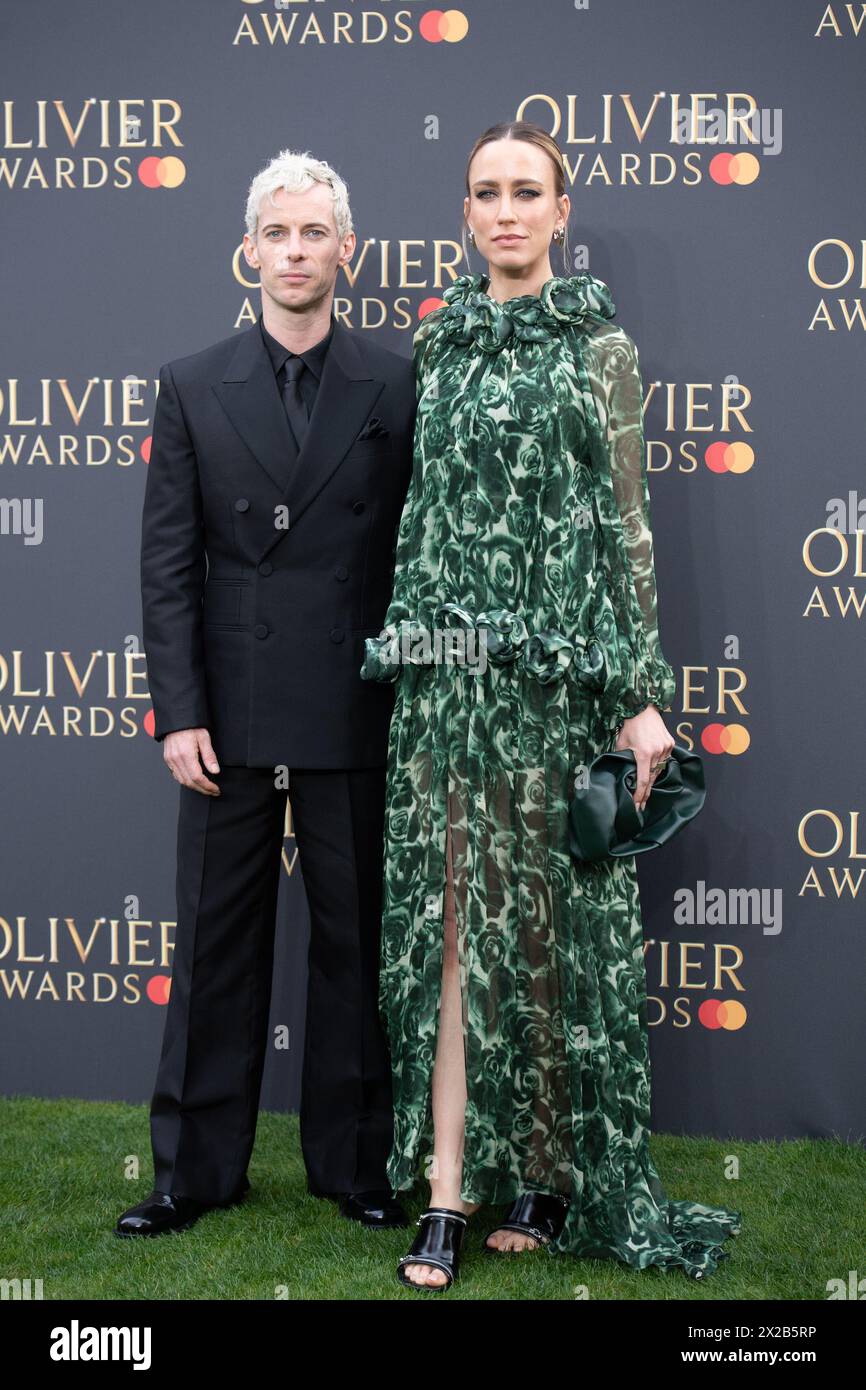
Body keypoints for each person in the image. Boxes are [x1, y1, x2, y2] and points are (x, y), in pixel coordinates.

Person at [361, 120, 742, 1289]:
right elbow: (418, 517)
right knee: (445, 935)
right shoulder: (438, 349)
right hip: (443, 682)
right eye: (487, 192)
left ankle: (535, 1170)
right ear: (465, 214)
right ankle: (441, 1185)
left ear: (562, 212)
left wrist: (637, 697)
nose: (507, 210)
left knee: (539, 938)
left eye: (528, 191)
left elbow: (622, 530)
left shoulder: (601, 350)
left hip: (553, 683)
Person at [116, 149, 416, 1237]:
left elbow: (403, 554)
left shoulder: (395, 381)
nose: (296, 252)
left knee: (356, 943)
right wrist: (178, 708)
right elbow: (168, 564)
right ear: (249, 251)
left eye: (314, 233)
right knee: (211, 945)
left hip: (350, 703)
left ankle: (355, 1167)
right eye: (277, 234)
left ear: (348, 251)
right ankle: (189, 1173)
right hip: (228, 713)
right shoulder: (193, 382)